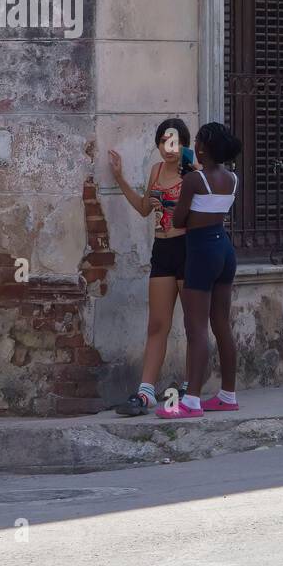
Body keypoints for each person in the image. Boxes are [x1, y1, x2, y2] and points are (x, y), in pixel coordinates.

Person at [156, 122, 242, 419]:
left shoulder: (194, 180)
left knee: (196, 328)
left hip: (201, 250)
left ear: (202, 149)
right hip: (224, 249)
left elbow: (179, 220)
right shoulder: (232, 179)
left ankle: (191, 401)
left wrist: (187, 184)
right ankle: (228, 395)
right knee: (221, 324)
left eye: (198, 142)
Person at [108, 119, 193, 416]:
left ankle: (189, 387)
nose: (168, 148)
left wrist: (192, 163)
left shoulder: (193, 173)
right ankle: (146, 392)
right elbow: (145, 209)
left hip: (188, 249)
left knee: (193, 324)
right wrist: (119, 178)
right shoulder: (156, 171)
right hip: (162, 249)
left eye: (175, 142)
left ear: (184, 144)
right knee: (158, 323)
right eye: (163, 142)